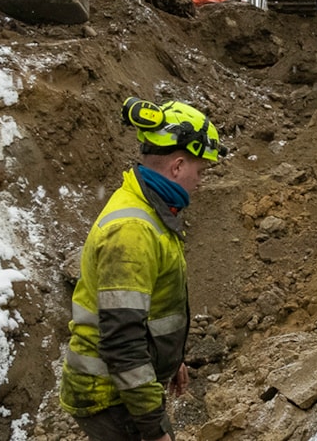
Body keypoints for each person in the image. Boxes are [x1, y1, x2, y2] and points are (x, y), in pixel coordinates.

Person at [60, 97, 227, 441]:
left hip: (119, 387)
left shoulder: (150, 209)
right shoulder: (133, 230)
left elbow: (143, 312)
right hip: (108, 396)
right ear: (178, 166)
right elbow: (122, 342)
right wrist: (154, 429)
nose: (202, 180)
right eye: (201, 169)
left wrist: (168, 359)